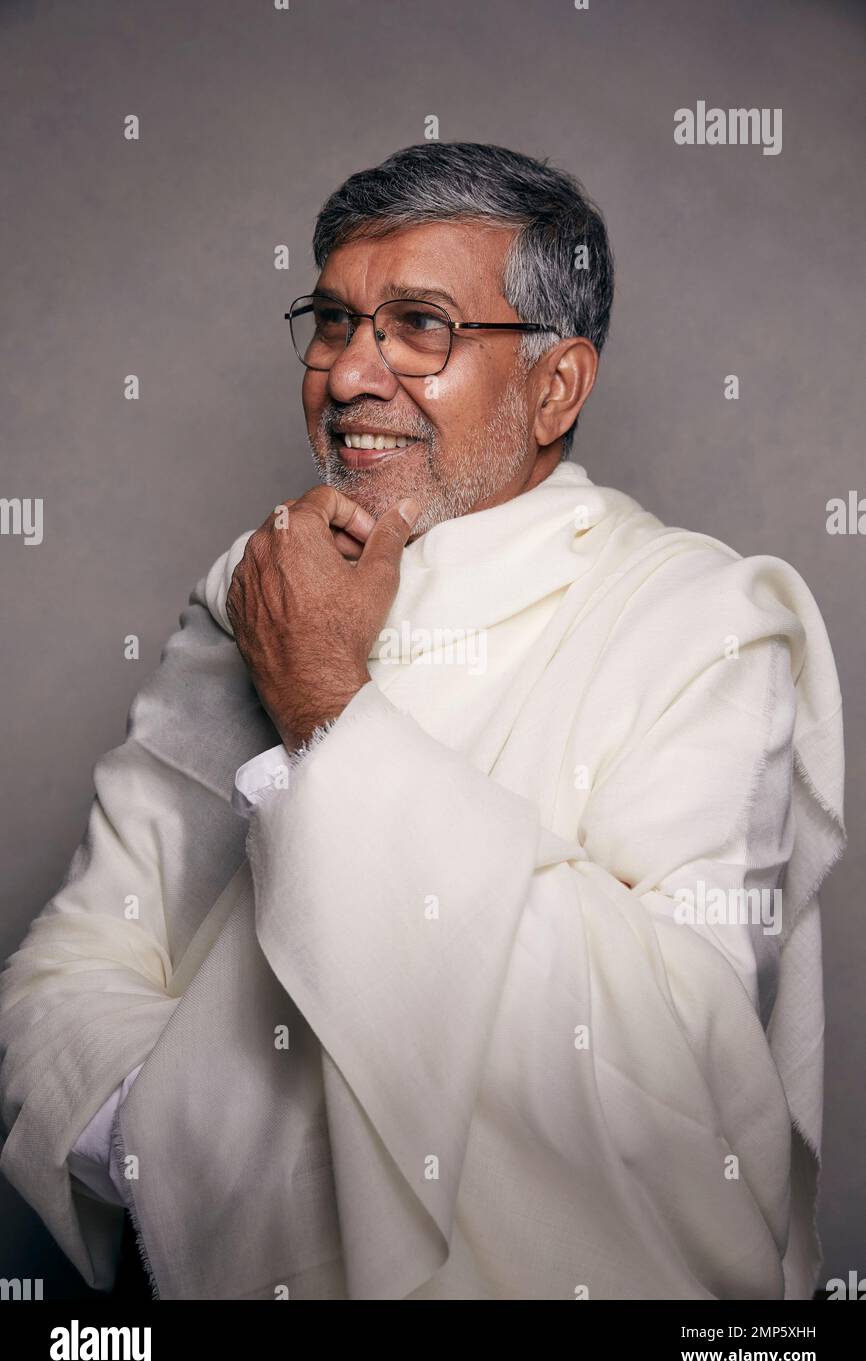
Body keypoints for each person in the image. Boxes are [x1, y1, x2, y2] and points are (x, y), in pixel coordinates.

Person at [0, 142, 846, 1300]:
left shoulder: (700, 621)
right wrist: (191, 1159)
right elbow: (71, 964)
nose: (350, 375)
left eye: (418, 325)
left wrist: (327, 710)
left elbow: (668, 1077)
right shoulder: (253, 587)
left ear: (556, 386)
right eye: (333, 322)